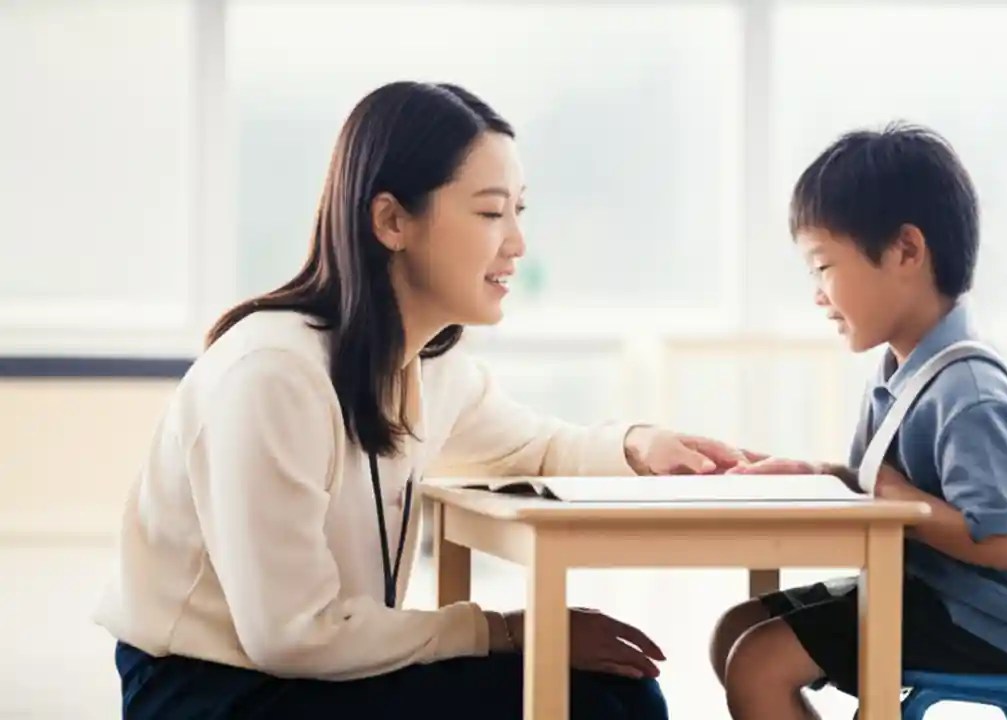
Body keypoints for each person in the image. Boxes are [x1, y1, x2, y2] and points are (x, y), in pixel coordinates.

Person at [92, 80, 748, 719]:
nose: (516, 243)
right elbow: (291, 634)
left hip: (321, 672)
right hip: (213, 690)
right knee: (594, 704)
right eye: (492, 212)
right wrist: (508, 630)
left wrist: (641, 445)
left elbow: (537, 446)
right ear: (392, 220)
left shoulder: (428, 368)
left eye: (520, 211)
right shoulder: (272, 374)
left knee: (615, 696)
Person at [709, 123, 1007, 720]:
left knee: (758, 663)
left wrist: (899, 497)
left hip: (990, 617)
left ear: (906, 251)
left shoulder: (969, 395)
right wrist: (817, 473)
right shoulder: (902, 370)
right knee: (740, 627)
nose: (817, 295)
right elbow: (878, 485)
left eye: (823, 266)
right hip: (941, 591)